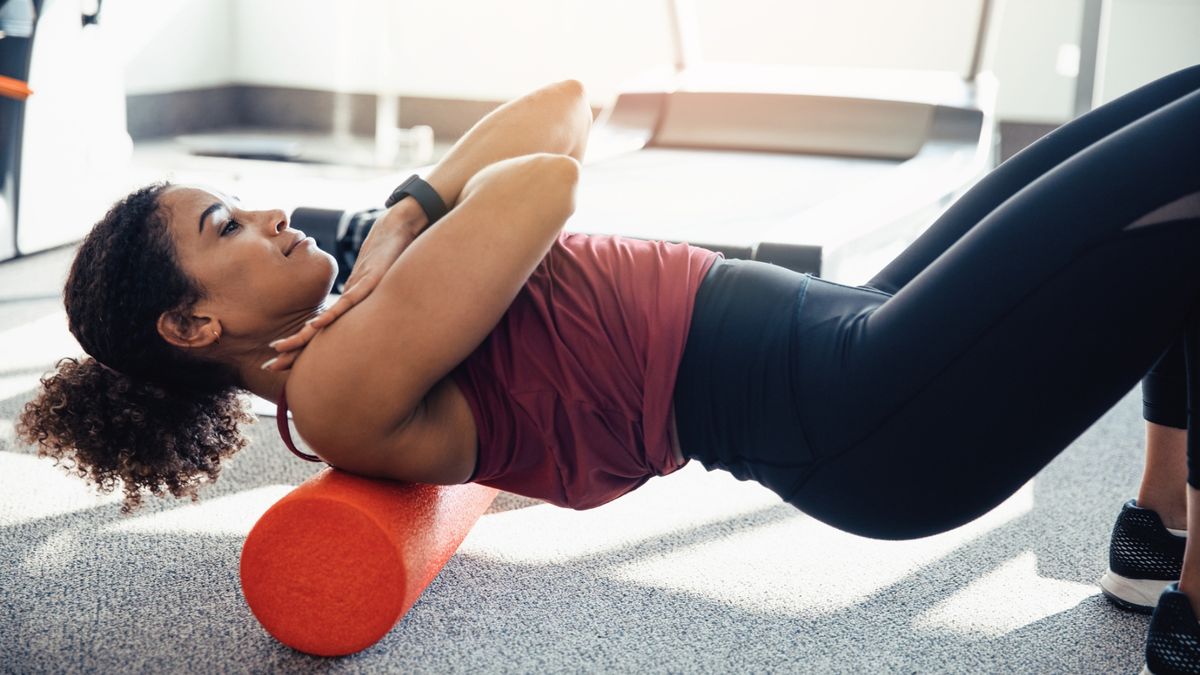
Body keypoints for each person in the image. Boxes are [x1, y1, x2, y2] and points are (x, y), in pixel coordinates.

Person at [15, 68, 1200, 672]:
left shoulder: (359, 306)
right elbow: (545, 180)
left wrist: (395, 220)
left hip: (855, 328)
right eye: (224, 225)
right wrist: (401, 227)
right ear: (189, 329)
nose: (267, 211)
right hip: (870, 408)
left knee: (1157, 134)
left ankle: (1157, 533)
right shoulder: (336, 385)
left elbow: (568, 102)